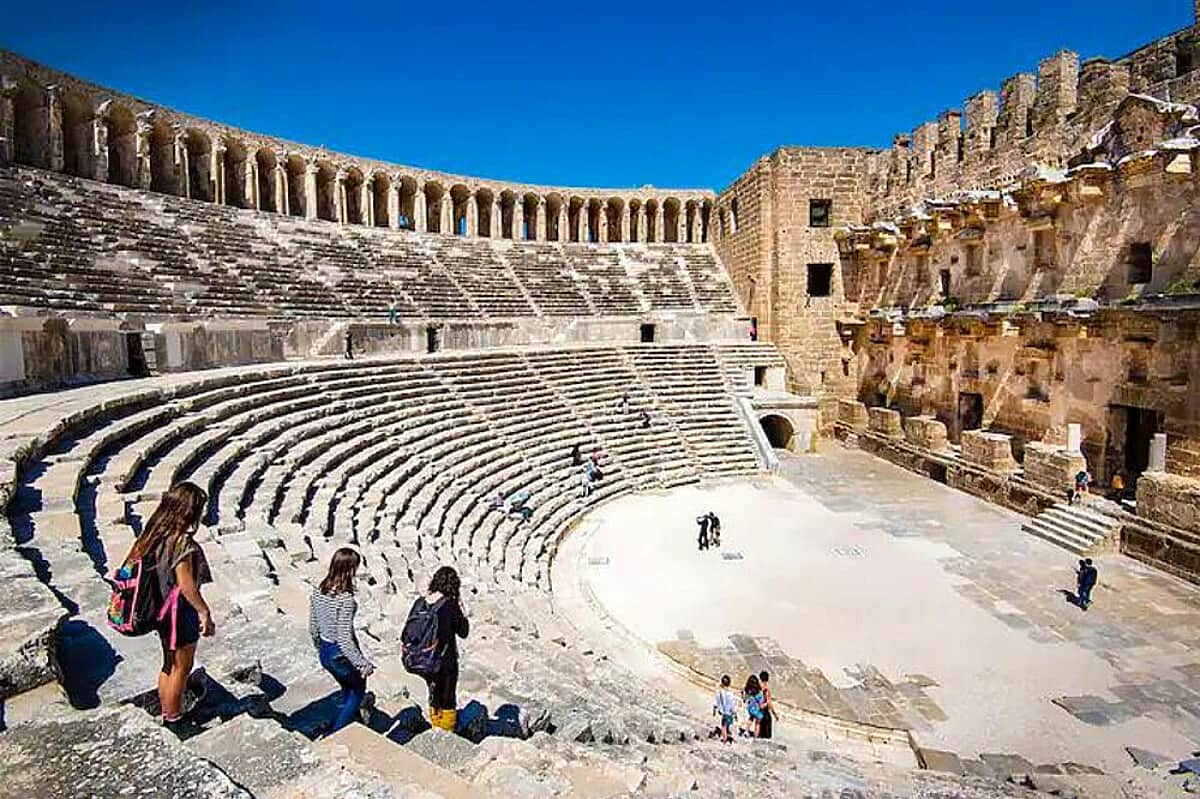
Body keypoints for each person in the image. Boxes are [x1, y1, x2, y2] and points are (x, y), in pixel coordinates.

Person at [122, 482, 214, 732]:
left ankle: (168, 713)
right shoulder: (180, 541)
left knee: (169, 663)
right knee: (181, 668)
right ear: (188, 511)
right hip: (177, 612)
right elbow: (185, 584)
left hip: (160, 611)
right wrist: (204, 611)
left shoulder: (152, 535)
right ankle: (174, 720)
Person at [309, 548, 375, 734]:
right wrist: (362, 664)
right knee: (357, 691)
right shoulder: (345, 599)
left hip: (325, 650)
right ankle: (338, 731)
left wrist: (321, 649)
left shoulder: (317, 589)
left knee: (346, 688)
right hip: (339, 653)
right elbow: (344, 638)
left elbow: (313, 626)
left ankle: (342, 719)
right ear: (349, 570)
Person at [413, 566, 470, 730]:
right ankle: (445, 735)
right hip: (445, 660)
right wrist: (462, 610)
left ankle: (435, 727)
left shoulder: (421, 602)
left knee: (433, 694)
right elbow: (463, 632)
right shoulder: (450, 605)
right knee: (447, 698)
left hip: (423, 658)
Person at [713, 674, 737, 743]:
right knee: (727, 726)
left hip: (724, 713)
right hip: (730, 713)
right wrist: (735, 713)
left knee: (723, 727)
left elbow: (716, 701)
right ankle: (728, 736)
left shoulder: (719, 692)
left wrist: (714, 710)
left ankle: (724, 740)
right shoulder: (730, 694)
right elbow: (733, 705)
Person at [758, 671, 776, 739]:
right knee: (767, 736)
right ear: (768, 679)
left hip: (759, 712)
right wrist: (775, 714)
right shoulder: (766, 689)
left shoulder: (758, 688)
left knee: (760, 733)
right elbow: (769, 703)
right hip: (765, 713)